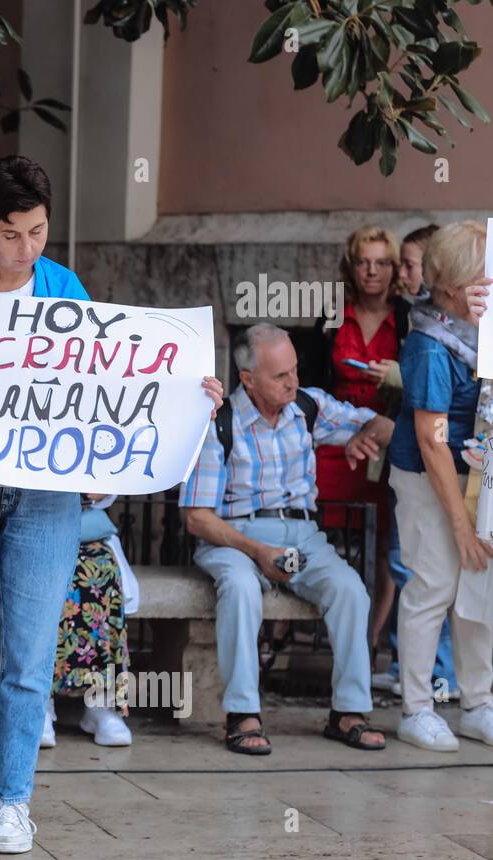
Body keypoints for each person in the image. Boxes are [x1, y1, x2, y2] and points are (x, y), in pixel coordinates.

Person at [0, 156, 223, 854]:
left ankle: (13, 801)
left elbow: (108, 385)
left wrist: (191, 394)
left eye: (38, 231)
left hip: (45, 492)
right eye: (11, 234)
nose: (26, 248)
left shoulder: (65, 287)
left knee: (30, 653)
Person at [180, 323, 394, 755]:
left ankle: (348, 711)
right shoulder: (219, 423)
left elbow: (384, 426)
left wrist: (363, 438)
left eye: (294, 370)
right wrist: (258, 552)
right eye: (280, 375)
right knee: (241, 588)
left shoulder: (308, 406)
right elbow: (197, 518)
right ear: (247, 379)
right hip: (235, 537)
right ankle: (242, 714)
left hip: (302, 538)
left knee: (350, 590)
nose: (293, 381)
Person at [388, 220, 493, 752]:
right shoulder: (429, 345)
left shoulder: (478, 326)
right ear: (452, 286)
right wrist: (461, 527)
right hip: (430, 477)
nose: (491, 280)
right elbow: (432, 444)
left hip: (475, 472)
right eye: (482, 272)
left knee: (479, 585)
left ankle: (478, 703)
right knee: (433, 586)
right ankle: (417, 708)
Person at [314, 227, 407, 660]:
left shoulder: (407, 317)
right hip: (336, 435)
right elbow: (311, 382)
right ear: (351, 267)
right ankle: (293, 629)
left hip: (388, 439)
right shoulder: (332, 313)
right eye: (364, 262)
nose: (372, 271)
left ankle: (368, 639)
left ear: (394, 269)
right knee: (309, 520)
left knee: (386, 534)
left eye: (382, 262)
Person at [42, 493, 137, 748]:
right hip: (29, 521)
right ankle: (38, 703)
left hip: (84, 527)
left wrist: (99, 489)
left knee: (100, 570)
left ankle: (101, 703)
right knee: (41, 573)